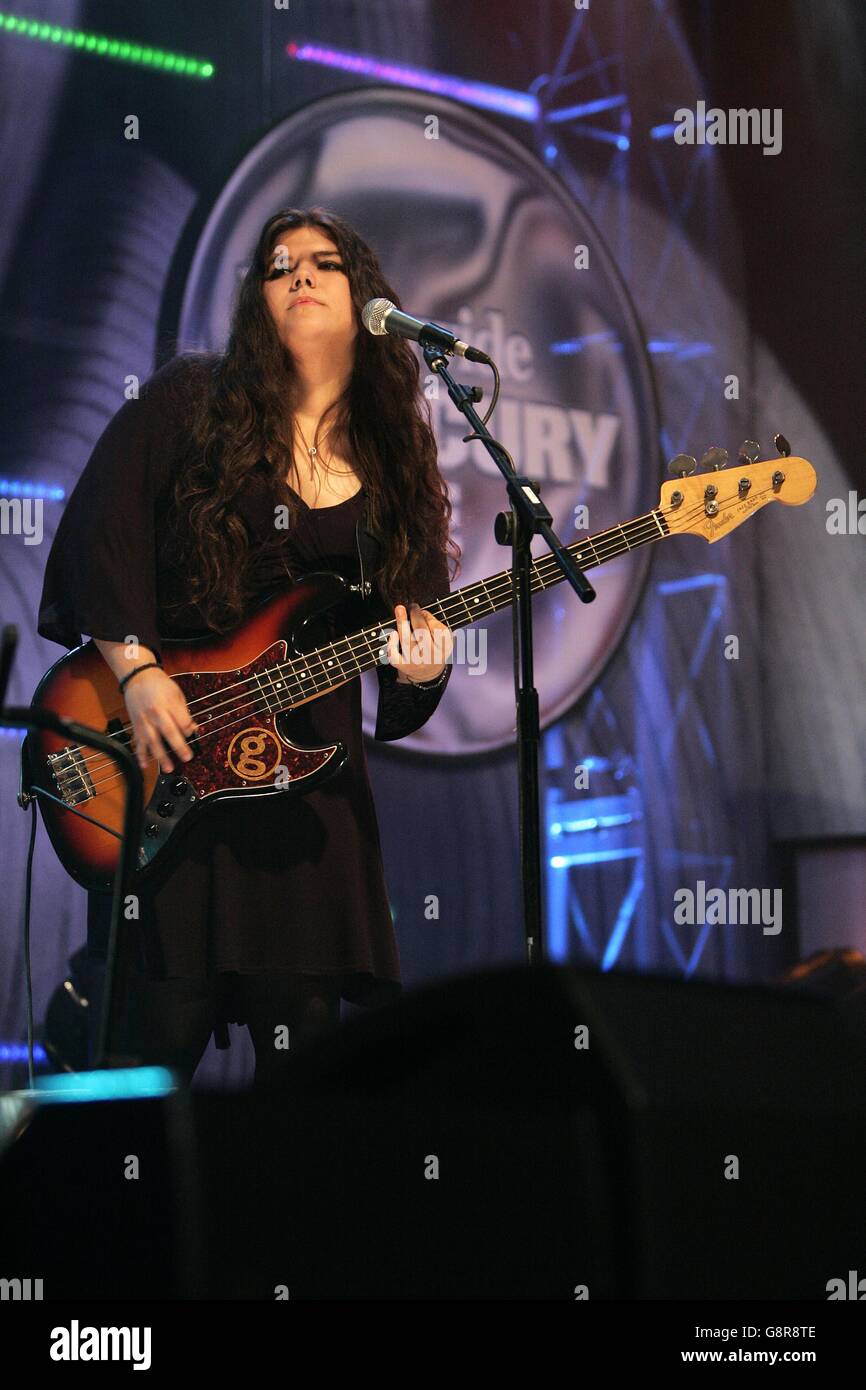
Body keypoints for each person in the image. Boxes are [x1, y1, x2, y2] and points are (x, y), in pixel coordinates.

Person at [37, 206, 458, 1086]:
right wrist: (140, 671)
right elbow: (100, 533)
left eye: (323, 263)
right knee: (158, 1047)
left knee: (297, 1061)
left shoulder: (395, 459)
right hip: (173, 751)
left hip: (309, 795)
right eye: (278, 266)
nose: (299, 275)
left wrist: (426, 665)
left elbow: (415, 634)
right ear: (258, 301)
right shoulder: (193, 398)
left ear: (365, 295)